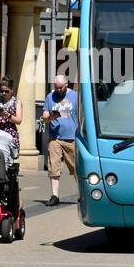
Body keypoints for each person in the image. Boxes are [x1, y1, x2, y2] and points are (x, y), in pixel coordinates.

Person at [42, 74, 78, 205]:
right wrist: (51, 117)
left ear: (66, 84)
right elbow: (44, 117)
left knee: (76, 168)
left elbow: (82, 114)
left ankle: (82, 194)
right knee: (54, 167)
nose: (58, 90)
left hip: (72, 137)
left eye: (60, 87)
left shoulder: (75, 96)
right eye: (56, 87)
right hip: (55, 138)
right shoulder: (50, 97)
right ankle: (54, 195)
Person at [0, 76, 23, 152]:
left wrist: (8, 115)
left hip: (10, 133)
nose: (4, 93)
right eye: (2, 91)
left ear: (11, 90)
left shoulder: (17, 102)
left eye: (6, 91)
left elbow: (19, 120)